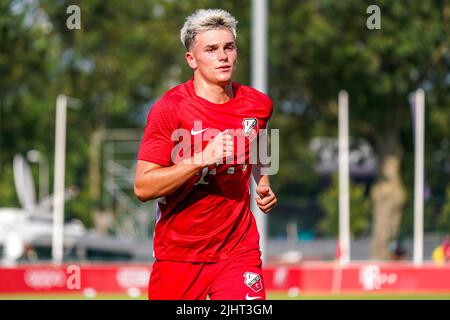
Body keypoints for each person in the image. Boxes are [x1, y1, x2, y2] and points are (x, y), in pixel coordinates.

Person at [134, 9, 277, 300]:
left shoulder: (258, 105)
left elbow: (259, 139)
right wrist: (202, 158)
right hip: (179, 256)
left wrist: (262, 181)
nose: (223, 56)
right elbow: (143, 187)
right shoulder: (169, 109)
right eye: (211, 49)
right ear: (191, 59)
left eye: (229, 47)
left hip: (238, 250)